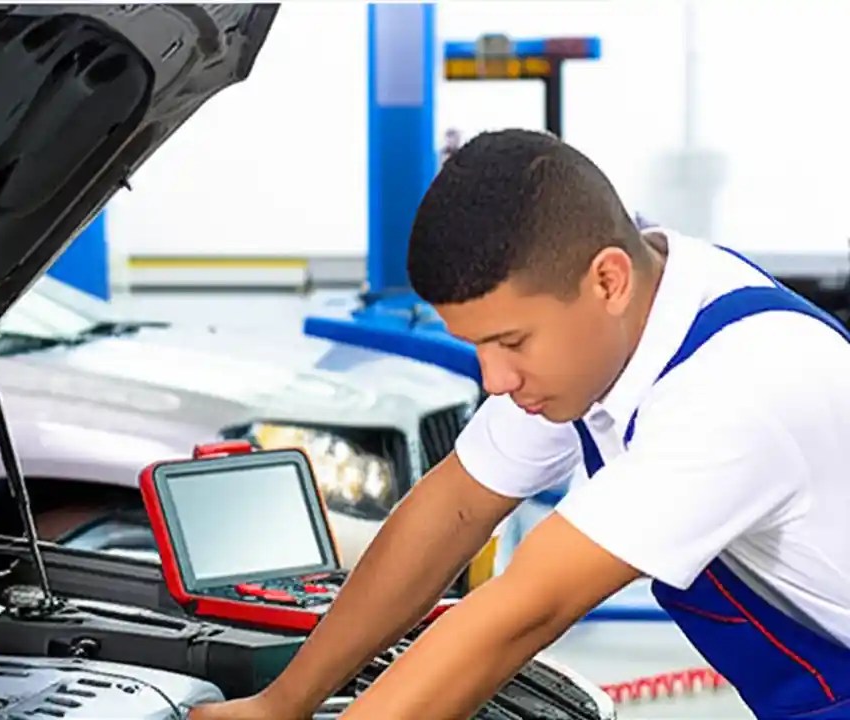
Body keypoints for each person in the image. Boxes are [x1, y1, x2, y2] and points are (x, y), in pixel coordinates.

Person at [190, 128, 850, 719]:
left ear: (609, 280)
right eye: (478, 346)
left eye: (511, 342)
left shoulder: (736, 391)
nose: (495, 380)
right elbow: (454, 507)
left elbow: (525, 609)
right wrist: (280, 704)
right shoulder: (621, 322)